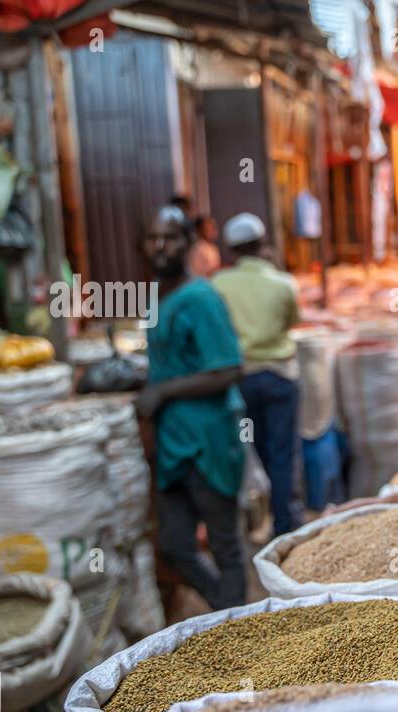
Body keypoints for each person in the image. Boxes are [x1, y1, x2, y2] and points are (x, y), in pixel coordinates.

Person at [135, 205, 247, 610]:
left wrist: (164, 392)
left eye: (170, 237)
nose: (160, 246)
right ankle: (225, 611)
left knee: (224, 543)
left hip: (208, 438)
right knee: (175, 544)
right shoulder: (158, 298)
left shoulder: (201, 298)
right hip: (172, 445)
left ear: (187, 243)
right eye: (153, 238)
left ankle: (243, 633)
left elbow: (229, 369)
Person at [211, 212, 302, 537]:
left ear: (232, 250)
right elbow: (293, 320)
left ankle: (250, 522)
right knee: (281, 454)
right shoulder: (283, 283)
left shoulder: (218, 285)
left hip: (240, 380)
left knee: (248, 453)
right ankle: (285, 526)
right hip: (279, 376)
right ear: (263, 244)